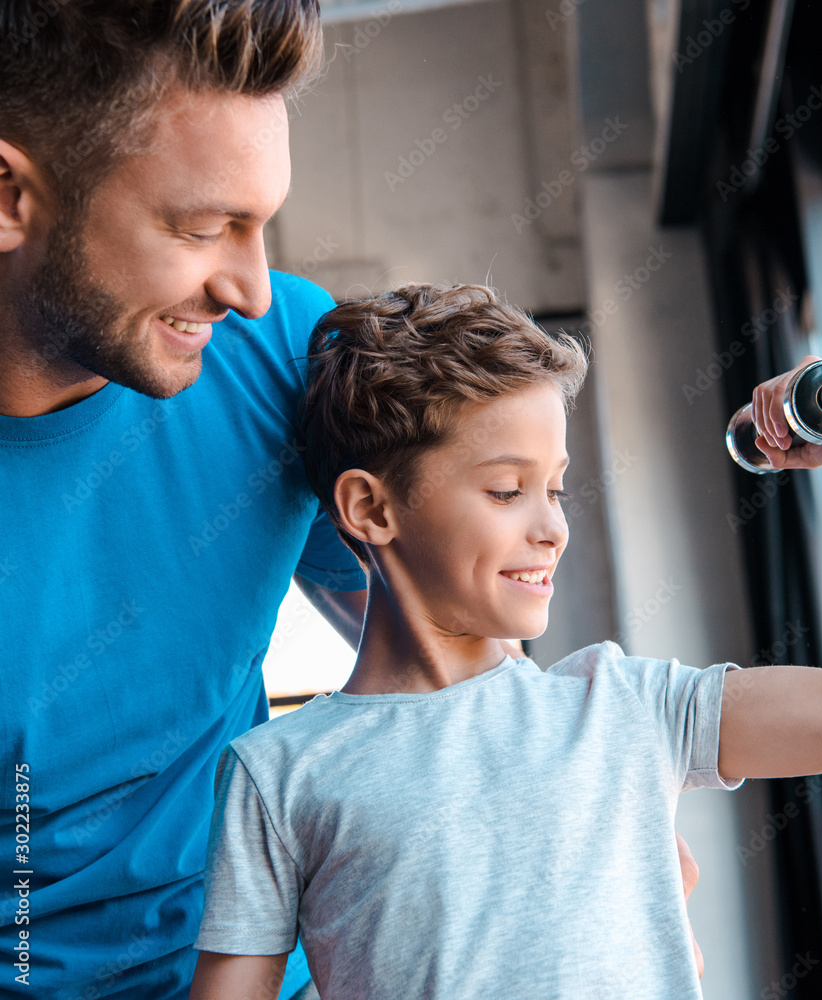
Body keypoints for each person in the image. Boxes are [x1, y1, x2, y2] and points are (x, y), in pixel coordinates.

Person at [0, 3, 701, 997]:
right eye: (203, 229)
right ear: (10, 197)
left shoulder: (280, 350)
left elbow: (439, 624)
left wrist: (570, 808)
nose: (250, 288)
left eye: (260, 225)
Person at [188, 283, 822, 999]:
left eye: (557, 489)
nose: (552, 527)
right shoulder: (280, 775)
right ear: (371, 509)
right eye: (507, 490)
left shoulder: (628, 708)